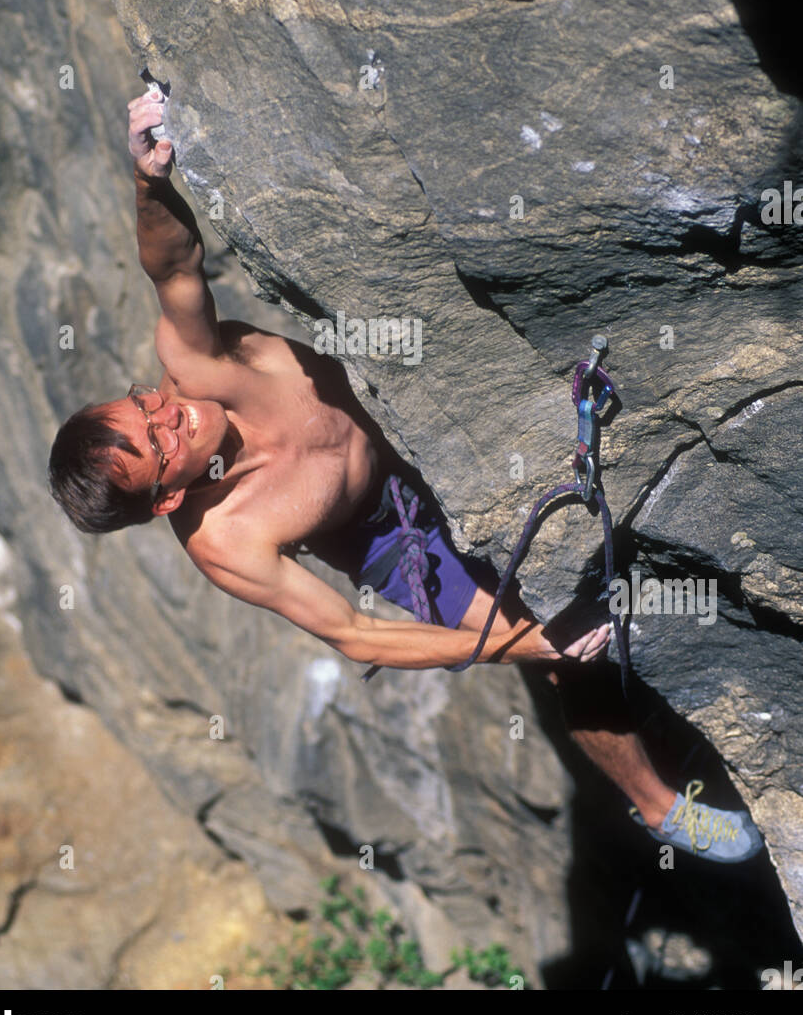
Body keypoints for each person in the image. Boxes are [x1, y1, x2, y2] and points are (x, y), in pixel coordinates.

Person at [48, 89, 763, 864]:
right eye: (158, 444)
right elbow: (357, 636)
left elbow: (174, 263)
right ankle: (659, 808)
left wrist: (149, 181)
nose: (170, 414)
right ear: (171, 497)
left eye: (143, 407)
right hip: (389, 535)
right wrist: (517, 648)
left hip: (412, 427)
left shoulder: (201, 363)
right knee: (560, 646)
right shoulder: (227, 541)